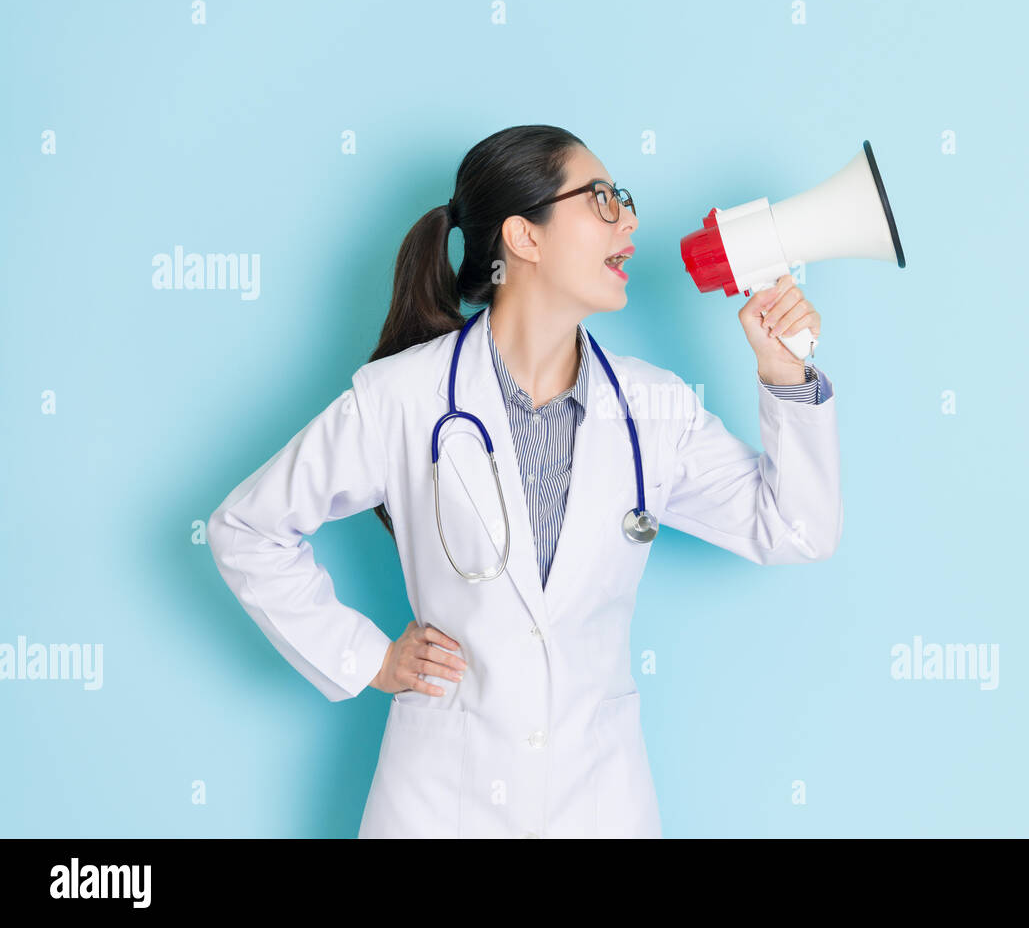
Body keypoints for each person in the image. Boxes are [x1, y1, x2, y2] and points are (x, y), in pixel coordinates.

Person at [206, 124, 843, 839]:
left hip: (600, 802)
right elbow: (245, 528)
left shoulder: (653, 409)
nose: (630, 219)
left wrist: (785, 372)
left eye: (623, 200)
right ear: (524, 237)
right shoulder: (403, 397)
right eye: (600, 199)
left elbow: (797, 528)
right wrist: (369, 658)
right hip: (439, 803)